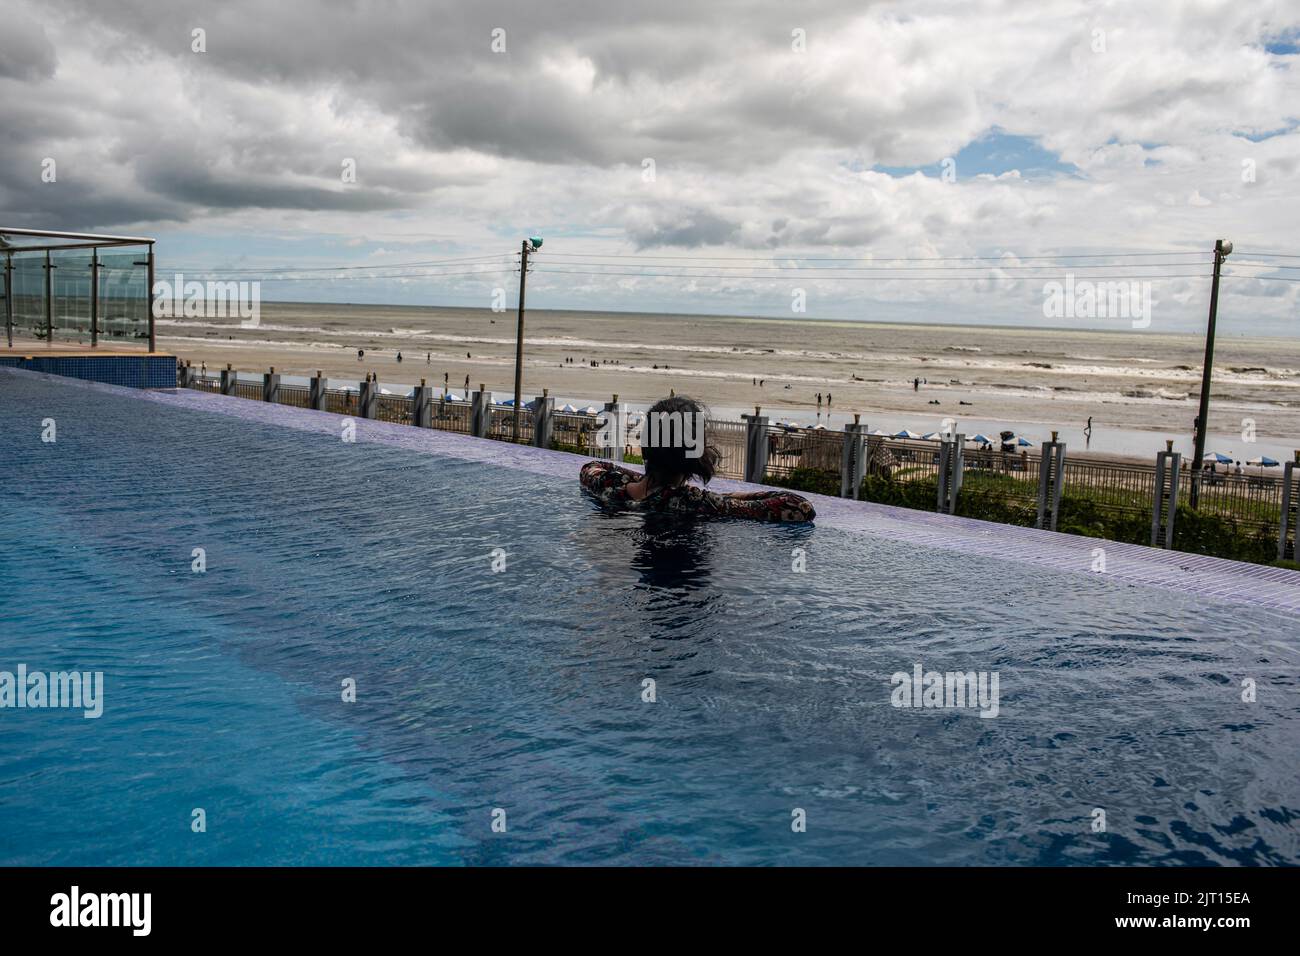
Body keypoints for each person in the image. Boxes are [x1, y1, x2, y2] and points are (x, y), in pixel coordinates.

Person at [579, 396, 815, 522]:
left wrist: (647, 480)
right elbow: (800, 507)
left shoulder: (608, 487)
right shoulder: (703, 504)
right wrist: (727, 496)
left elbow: (592, 467)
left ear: (646, 447)